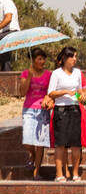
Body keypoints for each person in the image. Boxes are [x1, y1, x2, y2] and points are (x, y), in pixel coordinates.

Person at [47, 46, 86, 182]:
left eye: (76, 57)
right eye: (72, 57)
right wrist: (65, 91)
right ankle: (59, 174)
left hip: (75, 109)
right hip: (61, 110)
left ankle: (76, 173)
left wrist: (81, 98)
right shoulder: (56, 73)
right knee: (60, 144)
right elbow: (51, 93)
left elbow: (78, 91)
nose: (74, 59)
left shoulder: (78, 72)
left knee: (75, 144)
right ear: (65, 58)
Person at [18, 48, 51, 177]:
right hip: (29, 110)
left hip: (43, 111)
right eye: (39, 59)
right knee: (27, 141)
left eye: (43, 58)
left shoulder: (49, 74)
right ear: (33, 60)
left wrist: (48, 99)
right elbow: (22, 92)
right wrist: (30, 76)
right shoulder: (25, 73)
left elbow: (51, 92)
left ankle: (36, 171)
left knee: (40, 142)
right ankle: (32, 154)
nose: (42, 61)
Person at [0, 0, 20, 71]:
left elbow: (8, 18)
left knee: (5, 56)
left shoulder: (6, 2)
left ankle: (7, 76)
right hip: (2, 33)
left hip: (11, 32)